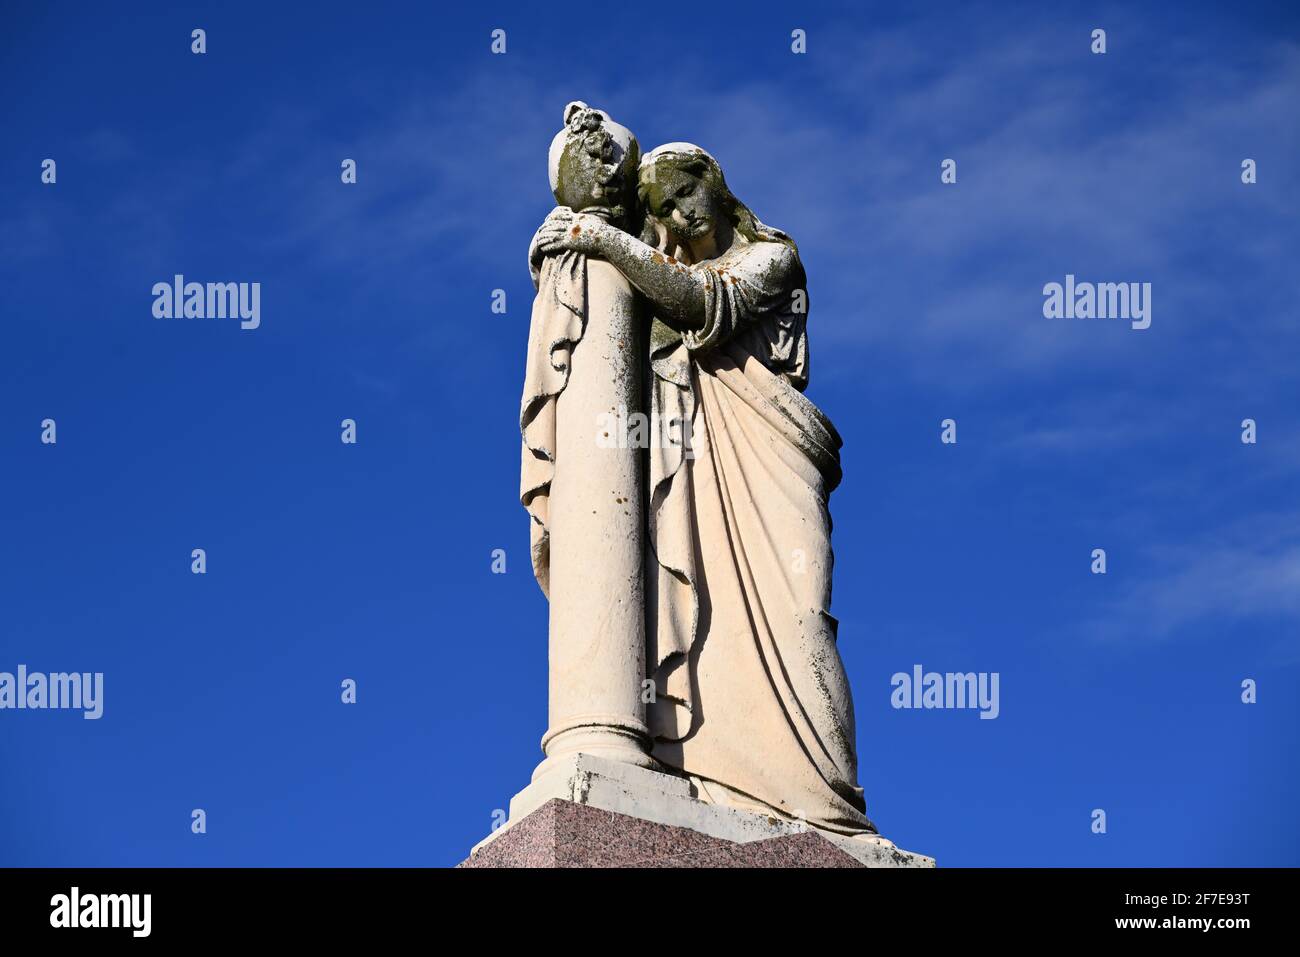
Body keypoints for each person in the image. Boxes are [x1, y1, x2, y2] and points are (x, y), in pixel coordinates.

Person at [533, 143, 875, 835]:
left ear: (714, 183)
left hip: (771, 457)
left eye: (685, 190)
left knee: (802, 620)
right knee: (701, 612)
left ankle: (823, 805)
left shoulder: (771, 257)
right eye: (661, 207)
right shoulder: (652, 277)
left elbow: (707, 299)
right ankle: (705, 766)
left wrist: (598, 235)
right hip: (697, 468)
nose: (680, 212)